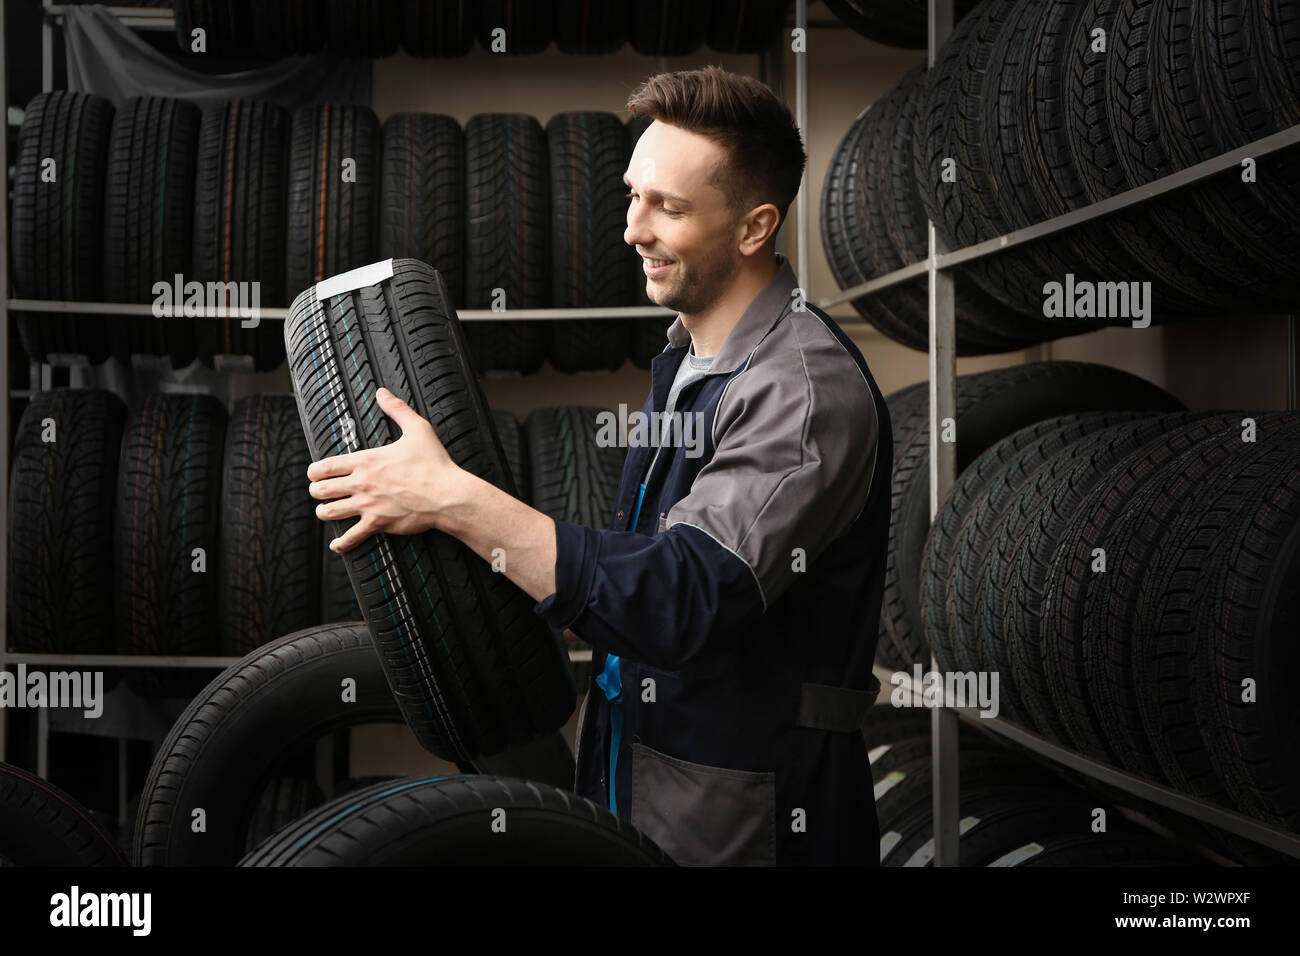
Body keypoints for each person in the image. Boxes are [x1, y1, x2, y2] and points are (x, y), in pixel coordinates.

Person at [306, 66, 893, 866]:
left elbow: (680, 596)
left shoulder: (802, 390)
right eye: (633, 194)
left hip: (753, 808)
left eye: (669, 208)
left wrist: (451, 499)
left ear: (755, 228)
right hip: (643, 763)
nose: (632, 229)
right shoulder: (692, 354)